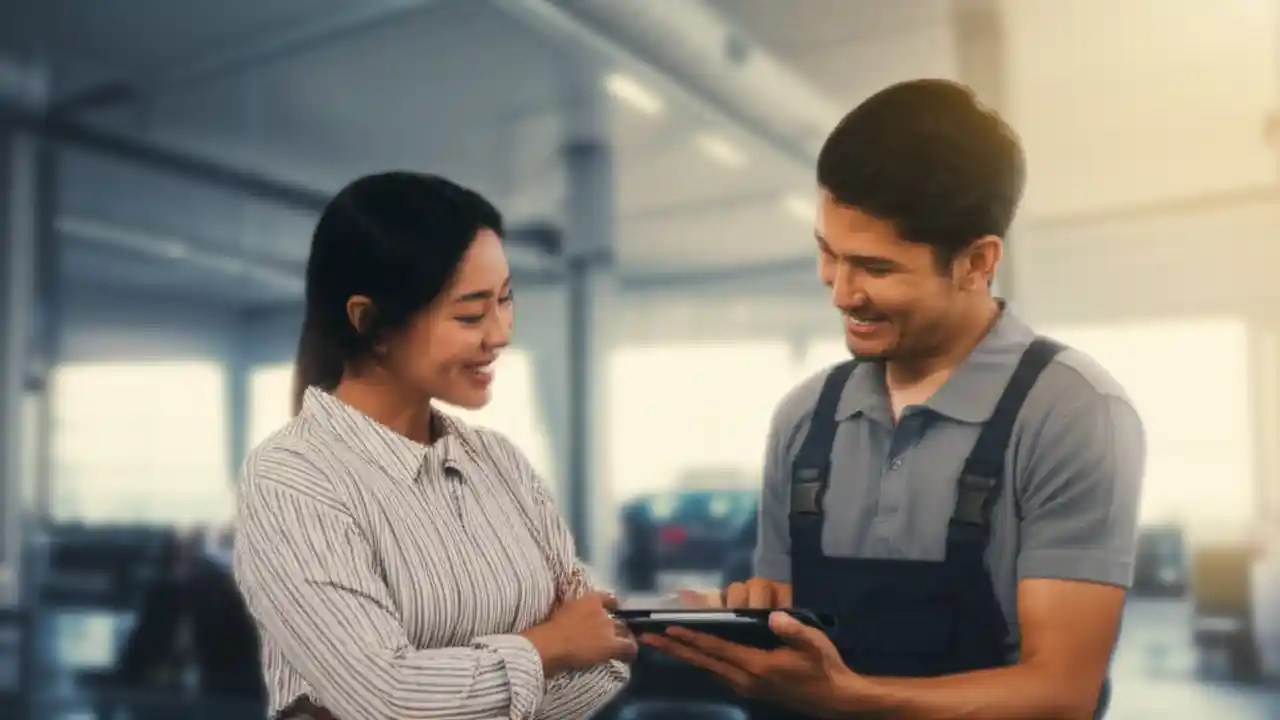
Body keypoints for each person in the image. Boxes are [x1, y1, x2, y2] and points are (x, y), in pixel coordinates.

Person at [641, 79, 1145, 719]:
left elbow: (1059, 695)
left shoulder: (1072, 414)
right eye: (828, 254)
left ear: (976, 262)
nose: (840, 293)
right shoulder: (805, 417)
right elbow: (795, 639)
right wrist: (745, 632)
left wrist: (848, 698)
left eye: (875, 269)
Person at [232, 172, 635, 720]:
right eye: (470, 313)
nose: (500, 334)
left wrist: (449, 686)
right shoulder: (293, 478)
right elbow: (386, 699)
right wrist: (549, 647)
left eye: (505, 300)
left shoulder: (501, 463)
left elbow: (604, 657)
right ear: (370, 322)